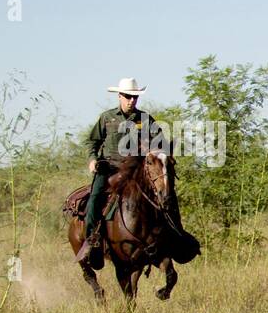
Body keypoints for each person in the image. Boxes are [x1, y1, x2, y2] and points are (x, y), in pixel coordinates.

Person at [77, 77, 194, 267]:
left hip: (135, 170)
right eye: (128, 96)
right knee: (94, 199)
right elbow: (92, 142)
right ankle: (92, 242)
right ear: (119, 96)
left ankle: (178, 237)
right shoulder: (107, 118)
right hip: (109, 168)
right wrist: (92, 160)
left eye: (135, 97)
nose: (132, 100)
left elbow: (160, 143)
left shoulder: (145, 119)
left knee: (167, 195)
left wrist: (156, 149)